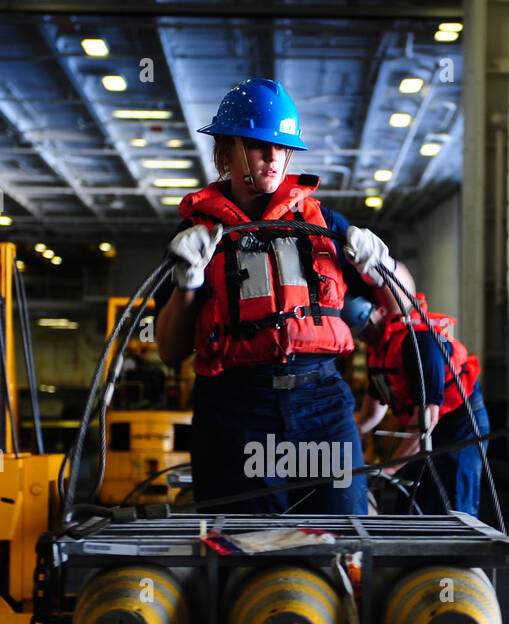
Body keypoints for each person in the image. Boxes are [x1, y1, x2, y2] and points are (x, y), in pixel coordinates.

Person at [154, 78, 414, 514]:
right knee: (243, 540)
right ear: (226, 151)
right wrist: (187, 284)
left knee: (341, 532)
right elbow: (169, 349)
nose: (273, 157)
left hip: (321, 403)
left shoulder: (324, 223)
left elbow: (404, 305)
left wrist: (382, 265)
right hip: (235, 409)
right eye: (258, 145)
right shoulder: (196, 238)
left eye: (282, 146)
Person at [344, 292, 489, 516]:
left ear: (380, 312)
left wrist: (389, 469)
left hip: (459, 424)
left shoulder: (419, 342)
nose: (363, 337)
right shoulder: (379, 349)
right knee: (415, 498)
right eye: (359, 333)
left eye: (365, 329)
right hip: (423, 422)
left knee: (453, 503)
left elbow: (427, 414)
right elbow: (376, 401)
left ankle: (453, 539)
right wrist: (356, 432)